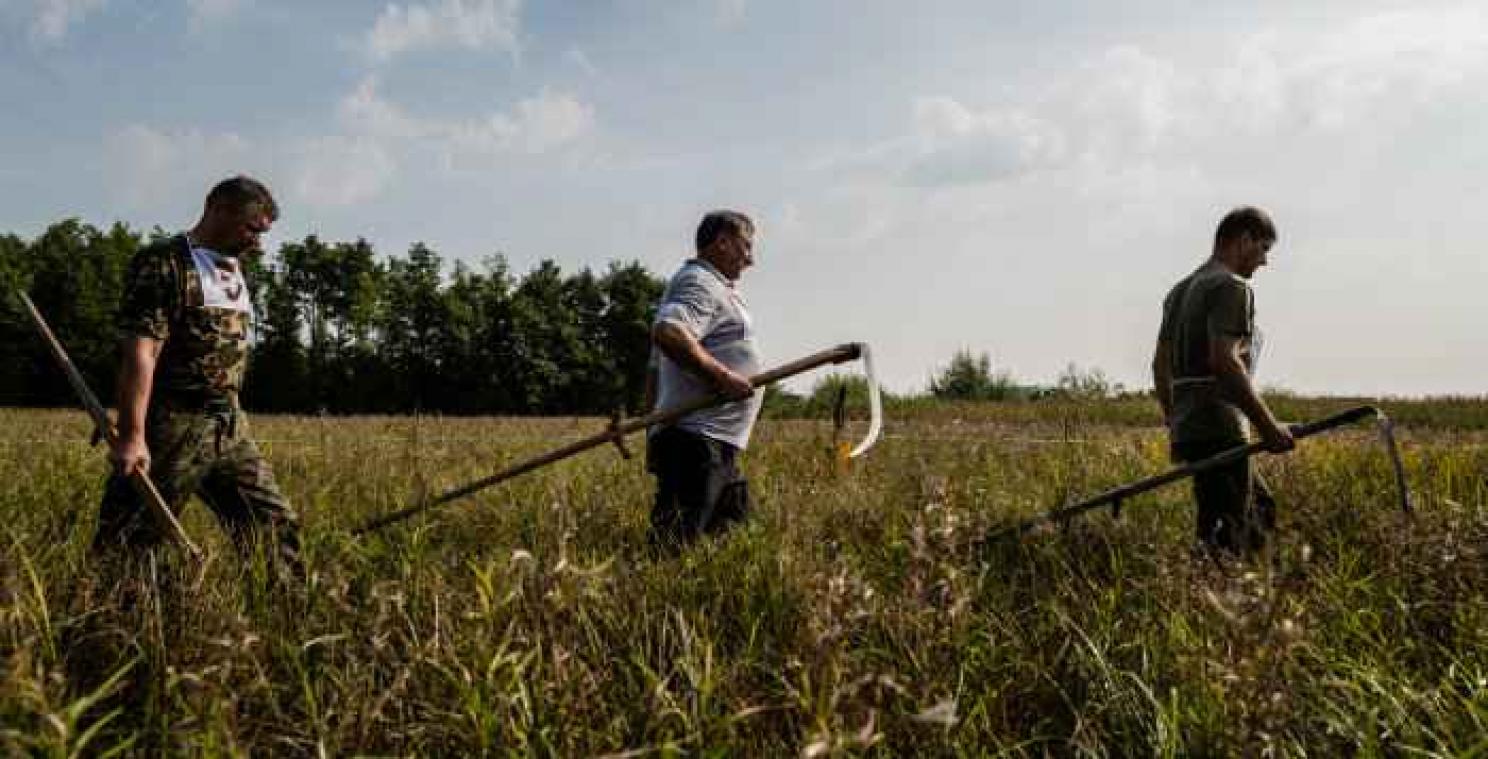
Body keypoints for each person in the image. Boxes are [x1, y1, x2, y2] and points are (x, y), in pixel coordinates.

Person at [94, 175, 302, 579]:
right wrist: (133, 434)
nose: (257, 242)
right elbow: (142, 350)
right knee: (133, 537)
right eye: (251, 229)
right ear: (218, 210)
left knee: (272, 526)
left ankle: (285, 623)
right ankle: (106, 628)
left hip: (228, 423)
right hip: (173, 422)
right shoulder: (165, 263)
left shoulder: (236, 267)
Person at [1153, 206, 1295, 556]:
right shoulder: (1231, 287)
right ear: (1243, 239)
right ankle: (1214, 600)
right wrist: (1268, 426)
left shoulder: (1179, 291)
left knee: (1258, 512)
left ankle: (1247, 593)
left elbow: (1159, 367)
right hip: (1221, 425)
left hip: (1192, 427)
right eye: (1263, 248)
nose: (1264, 262)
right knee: (1228, 535)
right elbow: (1225, 361)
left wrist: (1177, 422)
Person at [645, 210, 762, 548]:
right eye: (746, 247)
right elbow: (668, 334)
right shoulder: (699, 282)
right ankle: (653, 599)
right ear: (722, 242)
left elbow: (654, 368)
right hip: (696, 442)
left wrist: (652, 428)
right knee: (675, 547)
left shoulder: (714, 286)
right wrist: (724, 377)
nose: (750, 259)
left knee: (732, 542)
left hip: (713, 444)